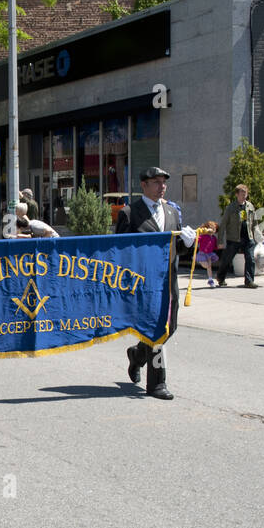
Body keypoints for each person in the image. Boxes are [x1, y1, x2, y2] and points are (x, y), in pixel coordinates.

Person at [115, 166, 191, 400]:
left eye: (164, 182)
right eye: (156, 182)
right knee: (157, 331)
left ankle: (137, 354)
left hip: (168, 281)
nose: (162, 186)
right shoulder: (129, 213)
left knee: (170, 327)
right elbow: (121, 252)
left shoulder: (172, 213)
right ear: (144, 185)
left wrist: (186, 243)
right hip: (143, 283)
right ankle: (158, 383)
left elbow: (176, 251)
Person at [217, 184, 260, 288]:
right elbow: (223, 225)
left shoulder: (250, 206)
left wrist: (258, 236)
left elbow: (254, 223)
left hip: (248, 237)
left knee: (250, 259)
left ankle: (249, 281)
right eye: (242, 194)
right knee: (227, 259)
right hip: (234, 238)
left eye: (245, 194)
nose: (244, 196)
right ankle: (221, 278)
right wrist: (220, 241)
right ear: (237, 195)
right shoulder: (231, 208)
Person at [193, 221, 221, 286]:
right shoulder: (204, 236)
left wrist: (218, 247)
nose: (213, 230)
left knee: (209, 266)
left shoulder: (214, 238)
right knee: (207, 265)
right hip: (202, 253)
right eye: (211, 228)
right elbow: (196, 239)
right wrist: (197, 235)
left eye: (214, 228)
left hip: (209, 254)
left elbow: (214, 246)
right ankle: (198, 260)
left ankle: (210, 280)